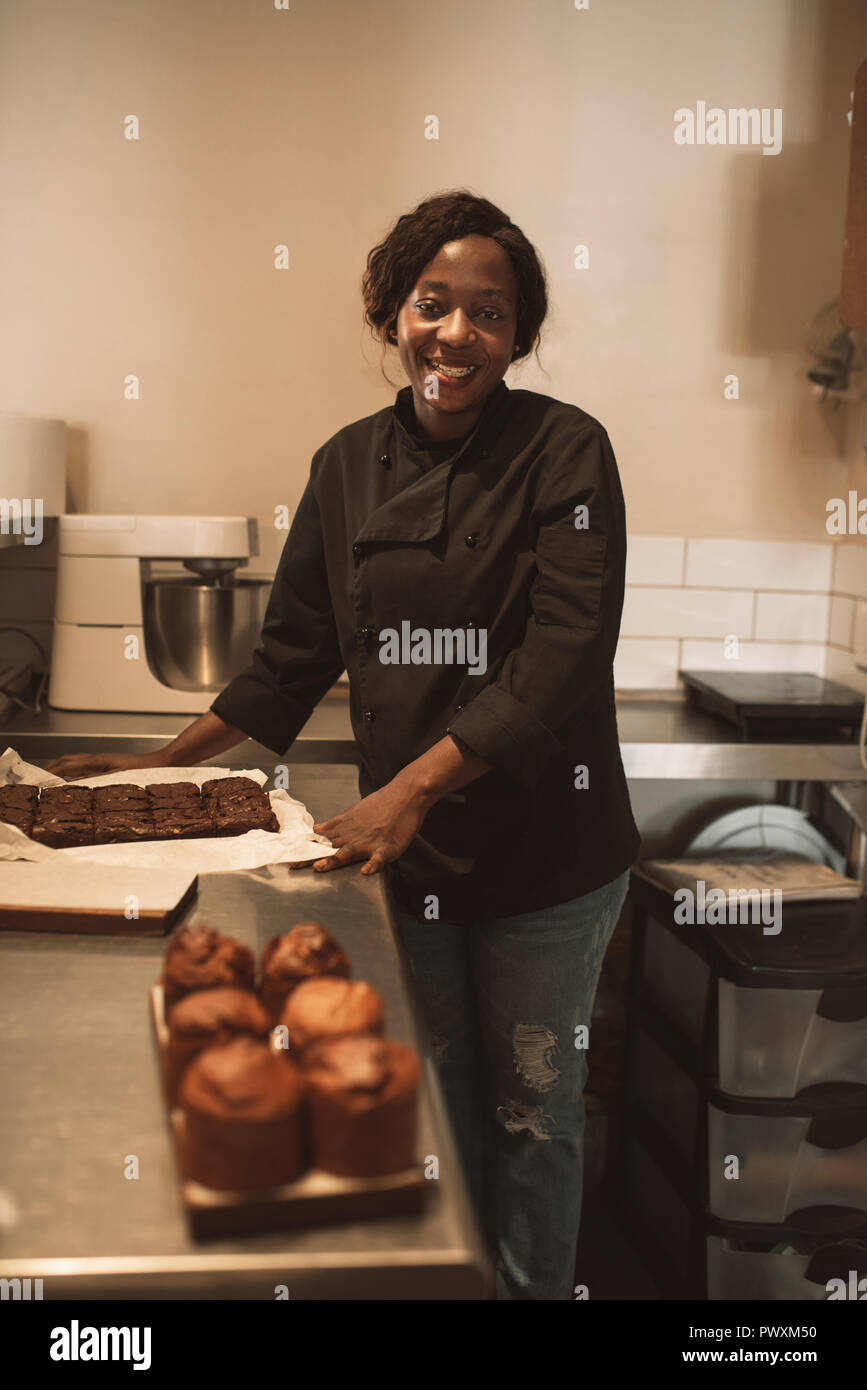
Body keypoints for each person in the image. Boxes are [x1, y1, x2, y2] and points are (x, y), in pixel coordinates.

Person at [46, 188, 642, 1300]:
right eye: (434, 303)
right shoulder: (345, 464)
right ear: (390, 313)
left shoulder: (567, 452)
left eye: (491, 313)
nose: (458, 333)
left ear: (521, 336)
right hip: (412, 860)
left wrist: (409, 790)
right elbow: (288, 663)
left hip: (546, 854)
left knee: (534, 1108)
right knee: (436, 1093)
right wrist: (150, 771)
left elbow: (563, 657)